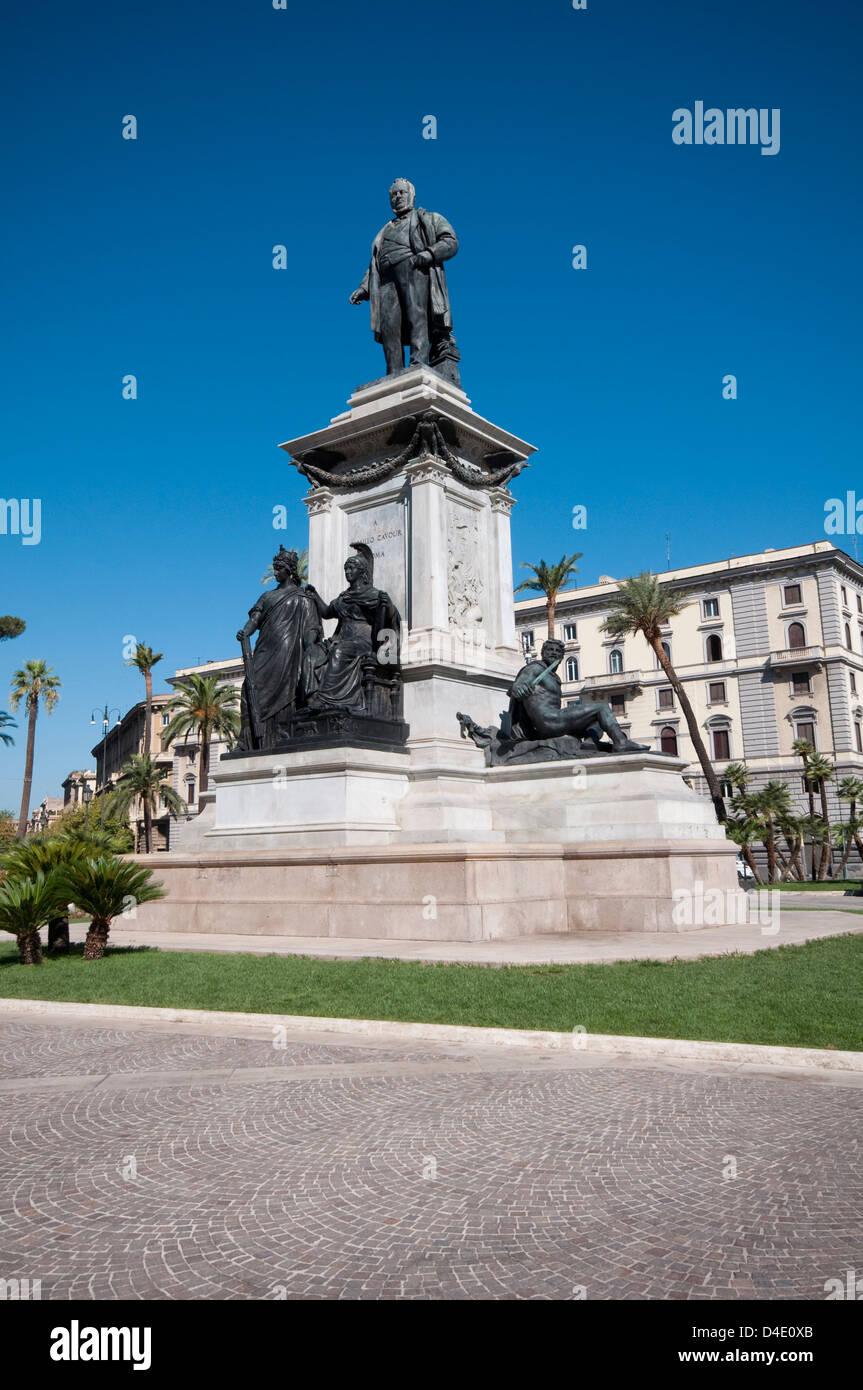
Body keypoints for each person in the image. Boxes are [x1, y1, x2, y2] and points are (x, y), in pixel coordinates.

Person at [350, 178, 461, 384]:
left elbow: (451, 241)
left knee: (416, 315)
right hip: (385, 278)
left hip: (413, 266)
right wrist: (364, 288)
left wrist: (429, 254)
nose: (398, 197)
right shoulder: (384, 230)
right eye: (394, 194)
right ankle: (394, 372)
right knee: (389, 325)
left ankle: (418, 362)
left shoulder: (427, 218)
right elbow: (373, 263)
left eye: (402, 193)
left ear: (412, 195)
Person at [303, 547, 401, 714]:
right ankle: (310, 699)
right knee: (311, 654)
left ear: (361, 571)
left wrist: (389, 605)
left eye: (351, 568)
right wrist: (315, 595)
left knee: (340, 651)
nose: (347, 572)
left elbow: (391, 616)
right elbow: (327, 612)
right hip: (341, 638)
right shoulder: (344, 597)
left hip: (363, 641)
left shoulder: (374, 595)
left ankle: (326, 699)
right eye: (346, 569)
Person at [236, 547, 315, 748]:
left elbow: (310, 627)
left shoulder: (303, 597)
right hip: (265, 648)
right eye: (275, 568)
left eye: (279, 568)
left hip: (288, 650)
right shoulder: (267, 596)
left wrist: (311, 651)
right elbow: (255, 619)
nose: (275, 572)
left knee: (285, 692)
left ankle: (279, 738)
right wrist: (245, 631)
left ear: (289, 570)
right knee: (249, 689)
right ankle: (248, 741)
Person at [510, 639, 648, 752]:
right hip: (549, 721)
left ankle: (590, 742)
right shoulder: (534, 668)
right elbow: (517, 686)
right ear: (542, 653)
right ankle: (621, 742)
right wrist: (519, 688)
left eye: (558, 651)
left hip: (554, 720)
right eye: (550, 650)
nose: (554, 653)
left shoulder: (552, 676)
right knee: (602, 708)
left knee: (596, 719)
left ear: (562, 657)